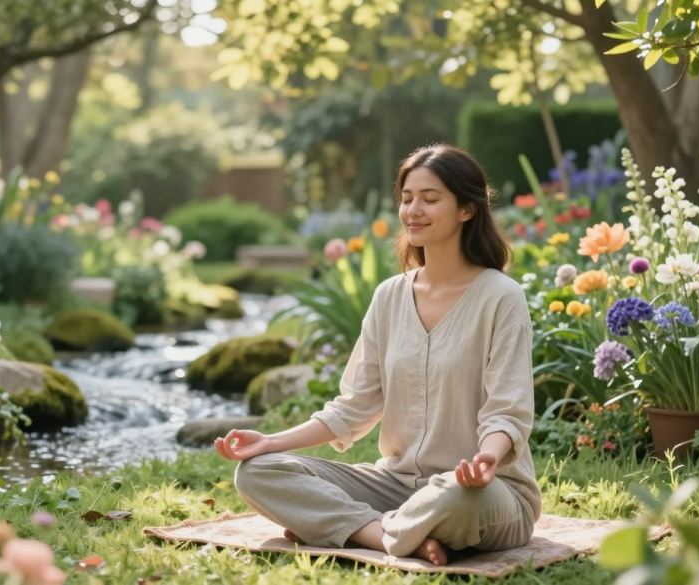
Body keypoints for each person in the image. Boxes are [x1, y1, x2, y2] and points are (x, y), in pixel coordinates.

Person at [214, 144, 541, 566]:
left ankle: (359, 528)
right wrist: (270, 442)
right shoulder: (389, 297)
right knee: (258, 472)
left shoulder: (501, 297)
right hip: (396, 485)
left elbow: (507, 412)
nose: (413, 210)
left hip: (482, 492)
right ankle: (389, 536)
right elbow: (354, 407)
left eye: (430, 198)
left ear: (467, 209)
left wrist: (486, 460)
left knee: (459, 498)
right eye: (406, 199)